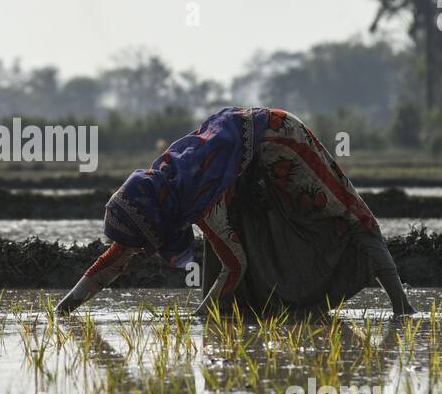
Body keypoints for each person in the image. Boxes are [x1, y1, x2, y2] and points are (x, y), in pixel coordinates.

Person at [55, 107, 416, 318]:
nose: (138, 252)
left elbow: (235, 264)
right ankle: (258, 306)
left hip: (282, 140)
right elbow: (116, 258)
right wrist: (64, 310)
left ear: (154, 226)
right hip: (249, 161)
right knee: (241, 233)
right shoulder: (166, 191)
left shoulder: (198, 198)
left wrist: (201, 317)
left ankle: (402, 307)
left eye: (141, 244)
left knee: (349, 213)